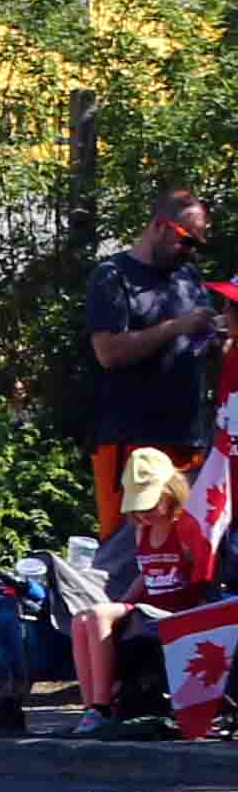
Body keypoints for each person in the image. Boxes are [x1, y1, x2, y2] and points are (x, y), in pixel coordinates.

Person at [78, 184, 222, 547]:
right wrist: (176, 327)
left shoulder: (188, 277)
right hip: (131, 442)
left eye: (197, 245)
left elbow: (199, 347)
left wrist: (214, 337)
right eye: (186, 240)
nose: (190, 251)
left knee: (182, 546)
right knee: (124, 549)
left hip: (186, 439)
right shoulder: (113, 276)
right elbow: (108, 352)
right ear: (160, 225)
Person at [65, 447, 216, 733]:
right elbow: (145, 575)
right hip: (147, 607)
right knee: (81, 618)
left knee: (98, 615)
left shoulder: (185, 529)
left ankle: (102, 707)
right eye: (137, 507)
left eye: (148, 504)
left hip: (175, 611)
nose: (142, 513)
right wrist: (122, 604)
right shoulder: (141, 530)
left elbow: (203, 577)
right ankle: (91, 707)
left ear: (170, 492)